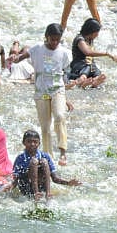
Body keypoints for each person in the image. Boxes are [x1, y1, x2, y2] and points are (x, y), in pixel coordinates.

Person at [11, 23, 72, 164]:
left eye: (58, 39)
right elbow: (23, 56)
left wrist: (65, 97)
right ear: (47, 37)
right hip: (41, 92)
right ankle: (48, 156)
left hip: (57, 90)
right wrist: (15, 59)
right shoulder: (38, 48)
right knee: (45, 127)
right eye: (52, 39)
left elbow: (66, 72)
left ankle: (63, 151)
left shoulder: (63, 52)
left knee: (60, 115)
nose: (55, 42)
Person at [12, 130, 79, 199]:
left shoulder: (45, 156)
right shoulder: (20, 158)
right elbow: (15, 180)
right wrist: (8, 188)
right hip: (27, 188)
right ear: (24, 143)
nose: (32, 144)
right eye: (29, 141)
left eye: (35, 142)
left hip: (42, 187)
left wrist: (68, 183)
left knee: (44, 161)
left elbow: (54, 178)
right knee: (34, 162)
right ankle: (36, 193)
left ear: (39, 143)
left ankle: (48, 193)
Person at [68, 17, 117, 89]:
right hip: (79, 65)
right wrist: (107, 54)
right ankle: (82, 81)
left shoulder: (89, 39)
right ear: (91, 31)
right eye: (97, 32)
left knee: (96, 71)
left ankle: (93, 82)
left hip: (89, 65)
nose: (97, 35)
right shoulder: (80, 39)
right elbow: (88, 52)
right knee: (88, 66)